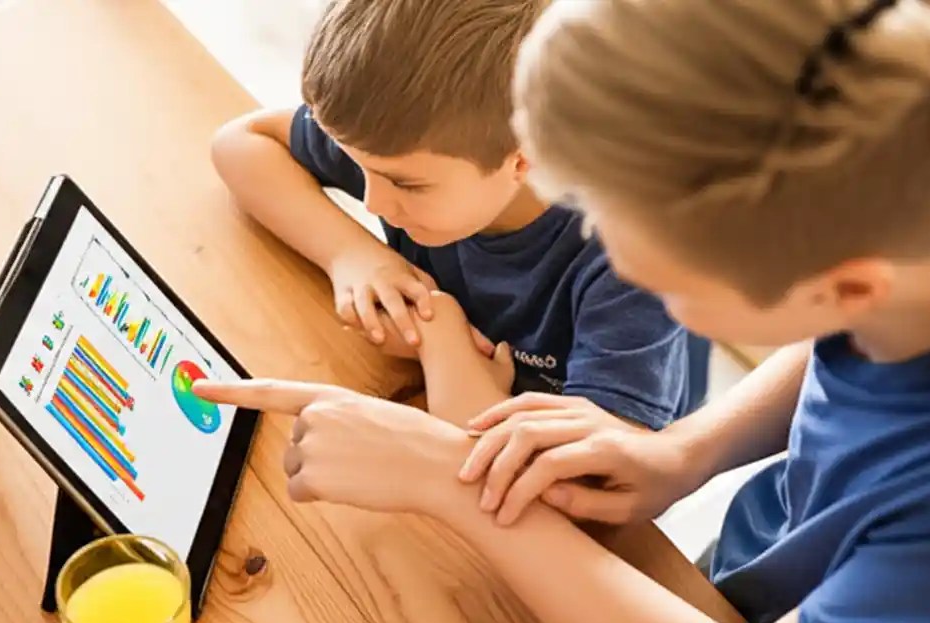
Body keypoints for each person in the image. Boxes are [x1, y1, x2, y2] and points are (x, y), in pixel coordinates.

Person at [195, 0, 930, 623]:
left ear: (839, 280)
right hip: (756, 583)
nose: (614, 261)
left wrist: (450, 484)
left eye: (658, 269)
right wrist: (686, 451)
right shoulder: (921, 246)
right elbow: (843, 339)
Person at [210, 0, 702, 430]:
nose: (372, 202)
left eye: (404, 184)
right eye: (358, 165)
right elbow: (239, 143)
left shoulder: (629, 261)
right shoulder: (408, 145)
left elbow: (597, 467)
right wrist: (351, 254)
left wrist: (447, 355)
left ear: (525, 157)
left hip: (608, 402)